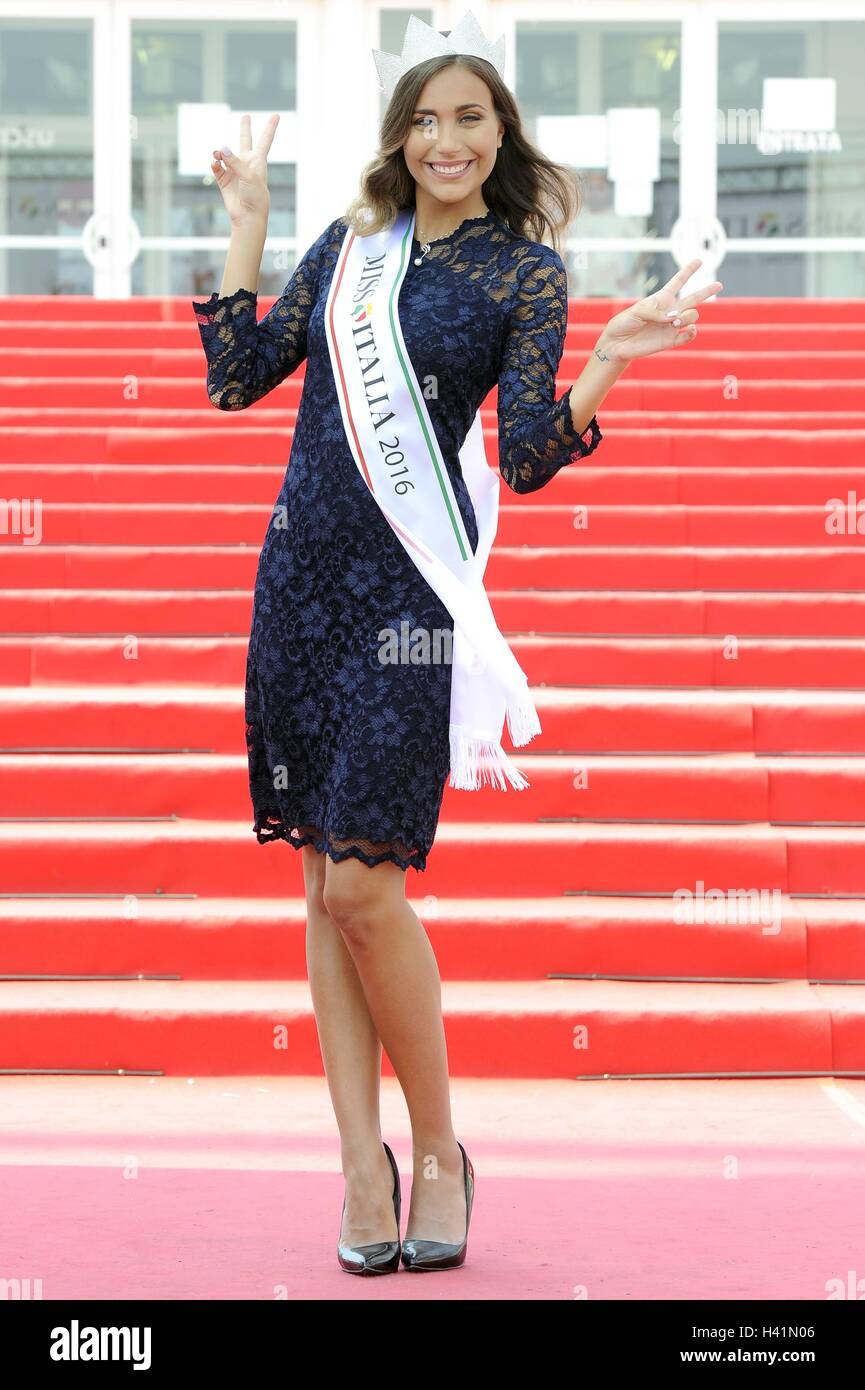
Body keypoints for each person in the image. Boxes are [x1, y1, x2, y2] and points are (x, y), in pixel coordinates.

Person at [191, 14, 722, 1275]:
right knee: (321, 884)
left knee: (366, 882)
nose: (444, 140)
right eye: (424, 119)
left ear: (500, 136)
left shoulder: (523, 276)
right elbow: (238, 376)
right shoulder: (352, 245)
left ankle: (438, 1150)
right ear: (400, 136)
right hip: (299, 581)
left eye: (468, 119)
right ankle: (357, 1167)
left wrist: (603, 362)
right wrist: (253, 223)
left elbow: (528, 457)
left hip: (407, 604)